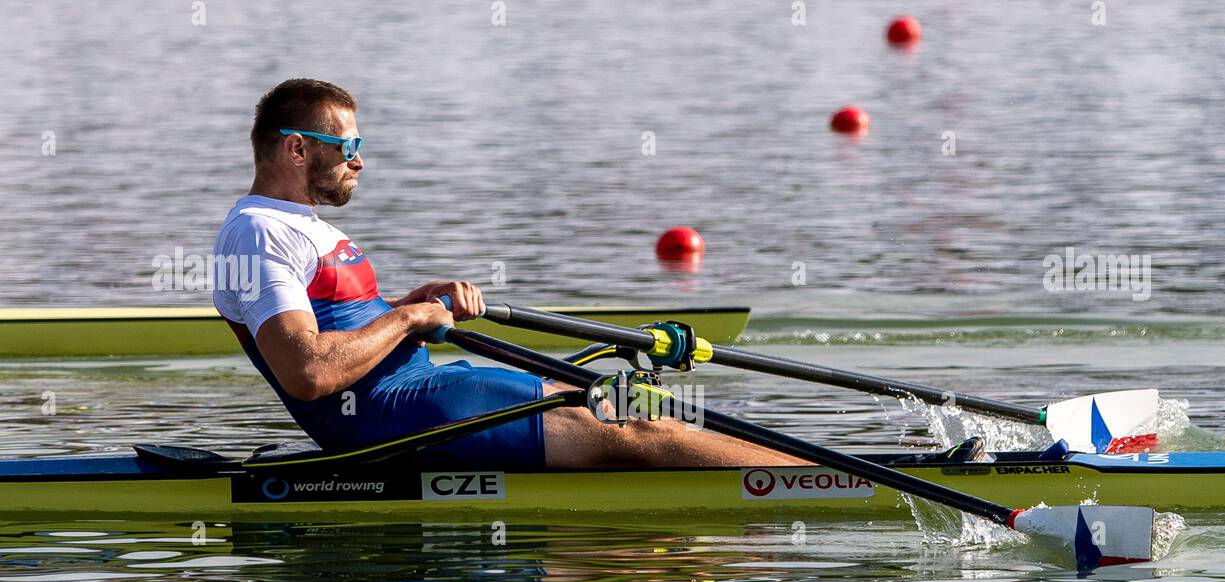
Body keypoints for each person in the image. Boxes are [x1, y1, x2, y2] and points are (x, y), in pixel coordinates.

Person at [212, 78, 802, 469]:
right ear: (296, 150)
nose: (360, 159)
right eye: (348, 145)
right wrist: (411, 317)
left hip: (421, 397)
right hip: (389, 422)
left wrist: (410, 305)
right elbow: (308, 371)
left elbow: (341, 316)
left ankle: (803, 471)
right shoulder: (260, 232)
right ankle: (831, 482)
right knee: (628, 424)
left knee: (626, 406)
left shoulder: (294, 224)